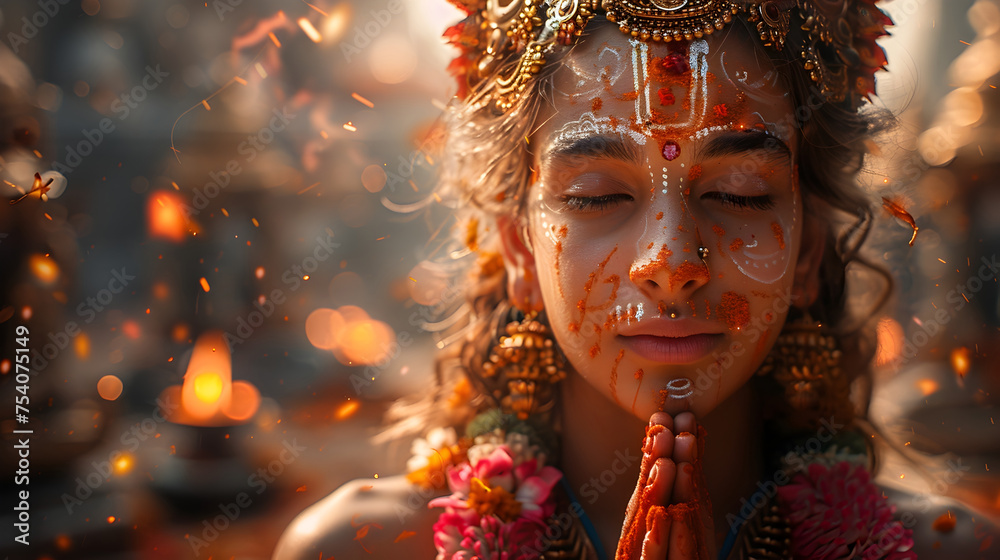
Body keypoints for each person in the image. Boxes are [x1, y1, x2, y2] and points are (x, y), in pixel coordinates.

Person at [273, 1, 953, 558]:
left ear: (807, 251)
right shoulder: (361, 549)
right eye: (597, 195)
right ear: (519, 248)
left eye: (740, 193)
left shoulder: (950, 550)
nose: (671, 261)